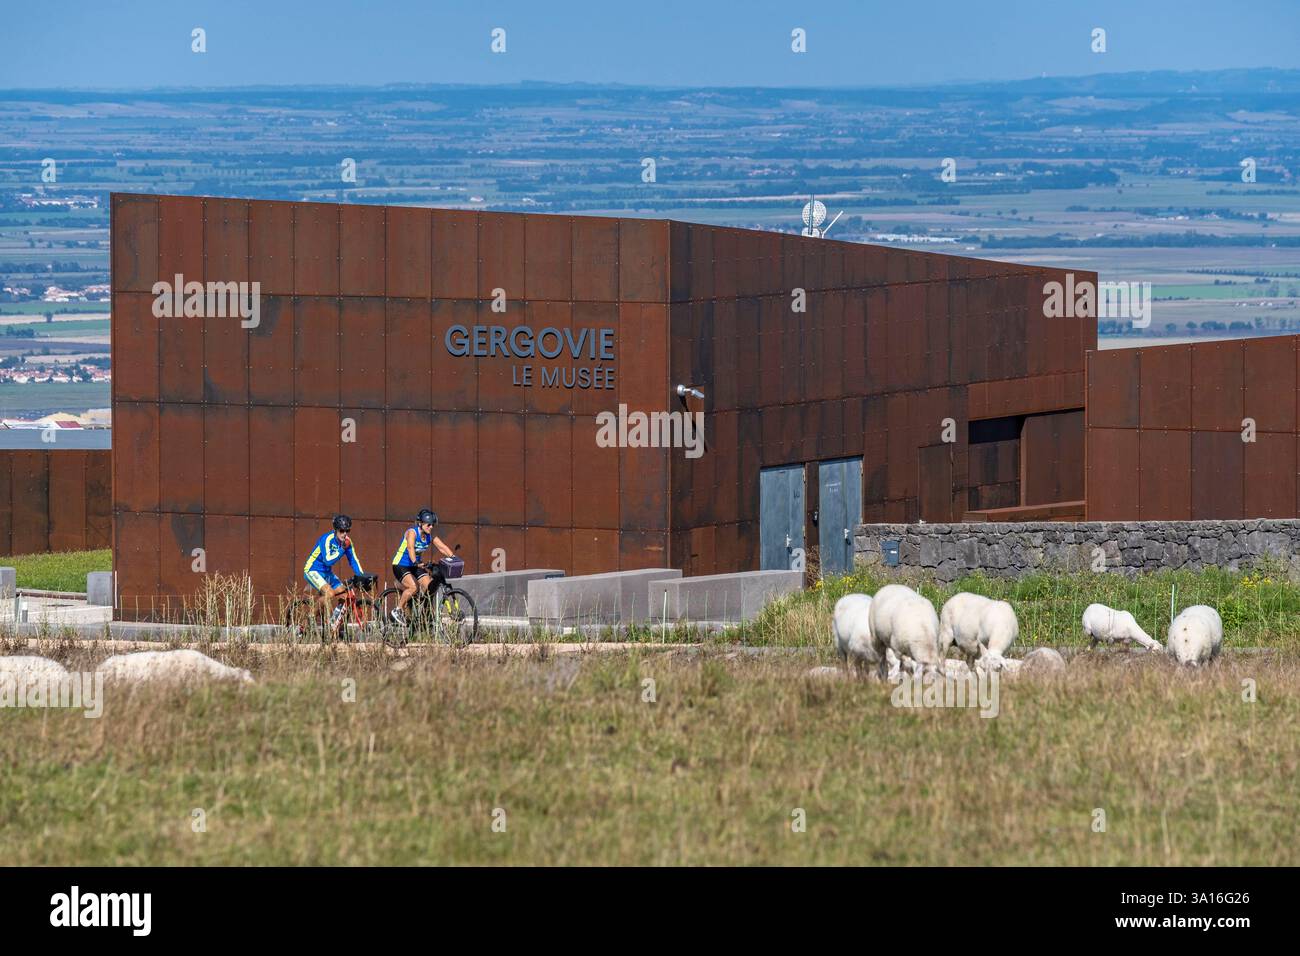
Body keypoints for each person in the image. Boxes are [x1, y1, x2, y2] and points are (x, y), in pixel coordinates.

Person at [389, 508, 455, 624]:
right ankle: (397, 610)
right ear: (421, 523)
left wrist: (454, 558)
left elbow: (442, 547)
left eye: (432, 525)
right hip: (400, 564)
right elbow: (410, 548)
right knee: (413, 587)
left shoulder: (430, 536)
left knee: (429, 586)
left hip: (415, 565)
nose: (431, 527)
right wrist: (415, 561)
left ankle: (419, 609)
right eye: (428, 525)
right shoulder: (412, 532)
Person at [303, 514, 364, 632]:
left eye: (347, 530)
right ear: (335, 530)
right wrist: (342, 549)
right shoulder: (326, 539)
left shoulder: (347, 542)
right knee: (330, 594)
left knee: (344, 594)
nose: (344, 533)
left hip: (326, 572)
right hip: (313, 569)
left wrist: (361, 575)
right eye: (341, 531)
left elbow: (353, 560)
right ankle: (311, 615)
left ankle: (333, 622)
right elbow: (328, 560)